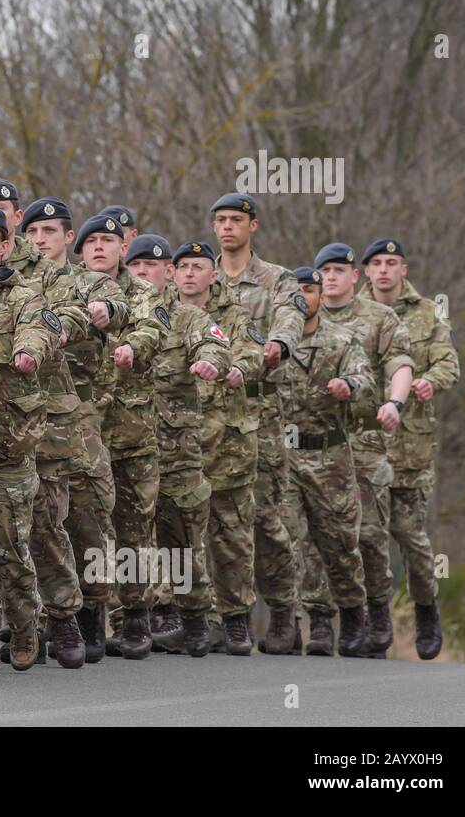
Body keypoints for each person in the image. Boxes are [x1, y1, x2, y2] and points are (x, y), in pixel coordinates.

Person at [0, 186, 90, 669]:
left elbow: (56, 316)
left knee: (36, 526)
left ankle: (61, 617)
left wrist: (39, 342)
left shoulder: (36, 275)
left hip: (33, 425)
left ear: (7, 231)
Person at [23, 199, 129, 662]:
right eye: (33, 232)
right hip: (23, 415)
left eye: (50, 231)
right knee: (38, 517)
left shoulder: (91, 283)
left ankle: (93, 611)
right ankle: (49, 616)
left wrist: (105, 310)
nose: (41, 239)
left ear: (70, 238)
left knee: (88, 518)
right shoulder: (16, 280)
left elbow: (116, 305)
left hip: (77, 418)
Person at [125, 236, 231, 656]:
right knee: (131, 534)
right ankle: (137, 618)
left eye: (150, 267)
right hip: (128, 442)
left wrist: (211, 361)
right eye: (134, 267)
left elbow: (215, 341)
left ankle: (194, 618)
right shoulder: (119, 315)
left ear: (167, 271)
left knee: (180, 534)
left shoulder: (186, 316)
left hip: (175, 447)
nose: (142, 274)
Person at [306, 242, 413, 656]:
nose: (331, 278)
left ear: (355, 276)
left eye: (338, 270)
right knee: (318, 537)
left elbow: (400, 362)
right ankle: (320, 622)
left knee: (367, 534)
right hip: (314, 445)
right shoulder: (302, 317)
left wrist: (395, 402)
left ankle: (377, 610)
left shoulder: (379, 317)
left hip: (364, 442)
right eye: (324, 271)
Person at [211, 192, 303, 654]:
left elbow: (292, 315)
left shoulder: (275, 279)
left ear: (254, 226)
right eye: (221, 220)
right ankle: (228, 615)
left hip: (261, 413)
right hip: (211, 414)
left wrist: (278, 344)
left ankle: (284, 612)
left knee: (265, 518)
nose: (227, 227)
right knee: (218, 517)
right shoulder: (201, 280)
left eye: (236, 220)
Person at [362, 238, 458, 659]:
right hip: (363, 443)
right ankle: (376, 617)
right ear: (366, 270)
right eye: (377, 263)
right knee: (366, 535)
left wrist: (429, 381)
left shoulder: (428, 313)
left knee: (409, 535)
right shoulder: (352, 311)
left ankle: (425, 608)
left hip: (411, 445)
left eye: (392, 263)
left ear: (404, 268)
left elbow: (448, 363)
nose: (384, 270)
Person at [172, 241, 266, 654]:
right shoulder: (161, 314)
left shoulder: (235, 316)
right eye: (183, 267)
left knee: (231, 536)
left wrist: (234, 368)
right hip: (179, 443)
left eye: (198, 267)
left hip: (226, 442)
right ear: (173, 274)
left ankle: (236, 618)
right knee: (184, 533)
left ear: (214, 274)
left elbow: (253, 354)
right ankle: (196, 616)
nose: (190, 273)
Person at [79, 213, 163, 660]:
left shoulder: (142, 292)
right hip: (79, 429)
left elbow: (152, 326)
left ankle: (135, 615)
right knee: (87, 523)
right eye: (90, 241)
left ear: (122, 249)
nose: (98, 248)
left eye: (107, 241)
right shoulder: (68, 287)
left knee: (134, 527)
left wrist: (134, 345)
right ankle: (90, 614)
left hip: (131, 431)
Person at [279, 267, 374, 657]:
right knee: (289, 538)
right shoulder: (274, 342)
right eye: (297, 291)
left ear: (321, 295)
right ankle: (308, 622)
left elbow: (366, 379)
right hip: (285, 454)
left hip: (329, 455)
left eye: (310, 290)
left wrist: (349, 386)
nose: (304, 297)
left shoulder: (340, 339)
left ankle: (353, 613)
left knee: (337, 541)